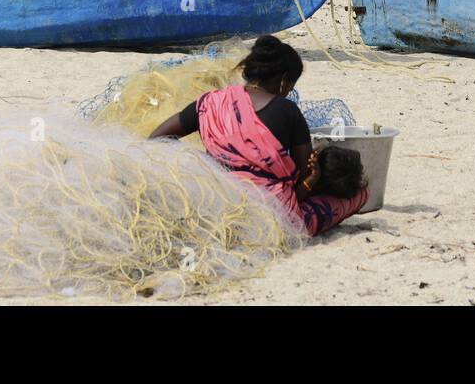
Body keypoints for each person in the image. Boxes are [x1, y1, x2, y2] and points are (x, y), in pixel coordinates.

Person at [148, 35, 368, 236]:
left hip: (217, 206)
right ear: (283, 80)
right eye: (291, 85)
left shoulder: (210, 103)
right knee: (359, 194)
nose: (289, 92)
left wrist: (203, 168)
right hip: (273, 219)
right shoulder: (288, 111)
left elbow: (157, 138)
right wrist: (313, 177)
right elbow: (301, 187)